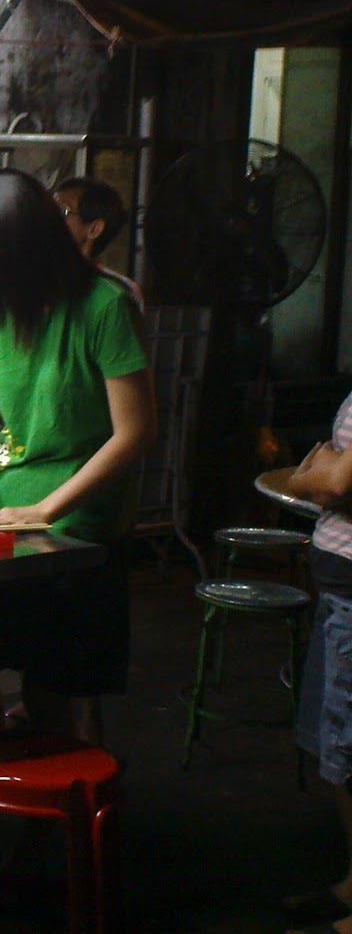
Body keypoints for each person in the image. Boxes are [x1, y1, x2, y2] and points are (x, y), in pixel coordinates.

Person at [0, 169, 156, 744]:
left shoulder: (105, 307)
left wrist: (47, 508)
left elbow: (134, 432)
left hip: (76, 527)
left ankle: (43, 810)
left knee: (50, 688)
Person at [281, 389, 352, 933]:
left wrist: (311, 476)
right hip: (339, 585)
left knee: (349, 749)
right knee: (337, 747)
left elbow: (334, 480)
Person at [54, 176, 145, 311]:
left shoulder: (117, 296)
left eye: (62, 212)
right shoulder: (35, 279)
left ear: (94, 229)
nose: (48, 218)